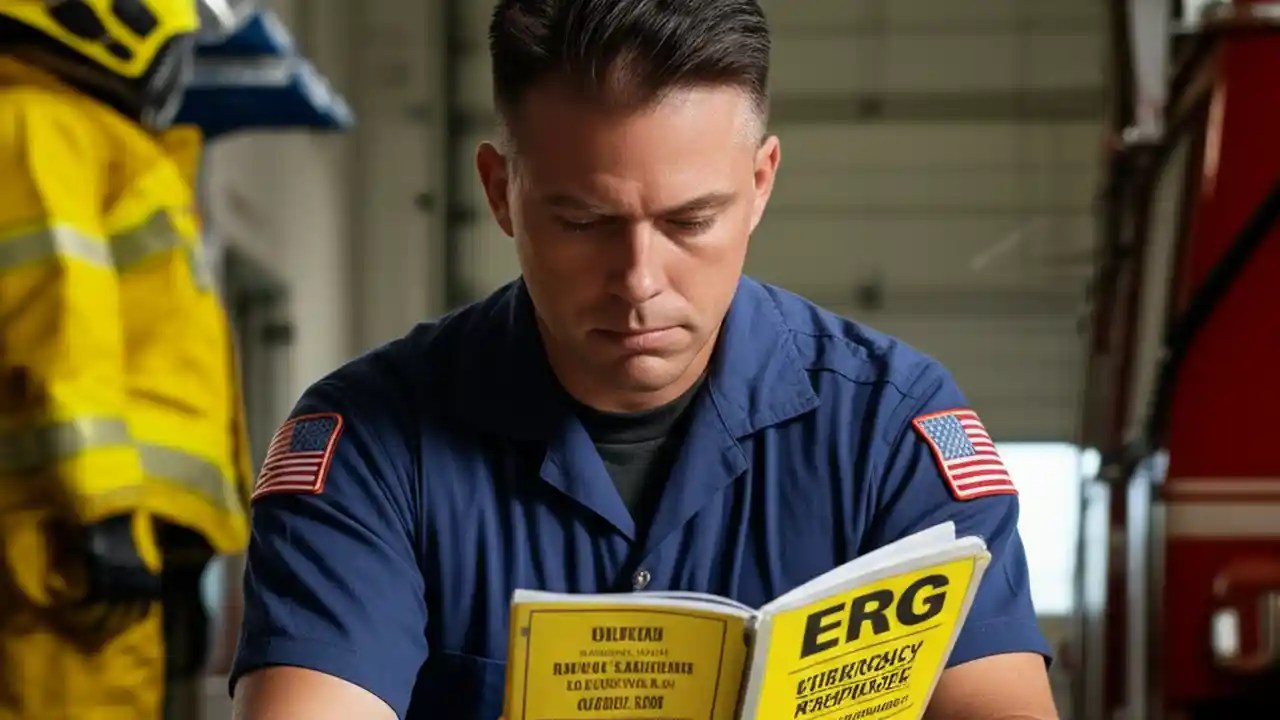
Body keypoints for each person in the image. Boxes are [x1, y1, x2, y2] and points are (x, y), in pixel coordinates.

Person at [229, 1, 1059, 718]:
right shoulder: (369, 445)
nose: (639, 282)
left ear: (761, 183)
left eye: (689, 222)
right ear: (499, 191)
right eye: (584, 223)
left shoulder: (890, 430)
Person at [0, 2, 252, 717]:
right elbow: (57, 328)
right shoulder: (38, 125)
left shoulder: (96, 138)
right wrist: (101, 509)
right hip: (74, 535)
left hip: (133, 532)